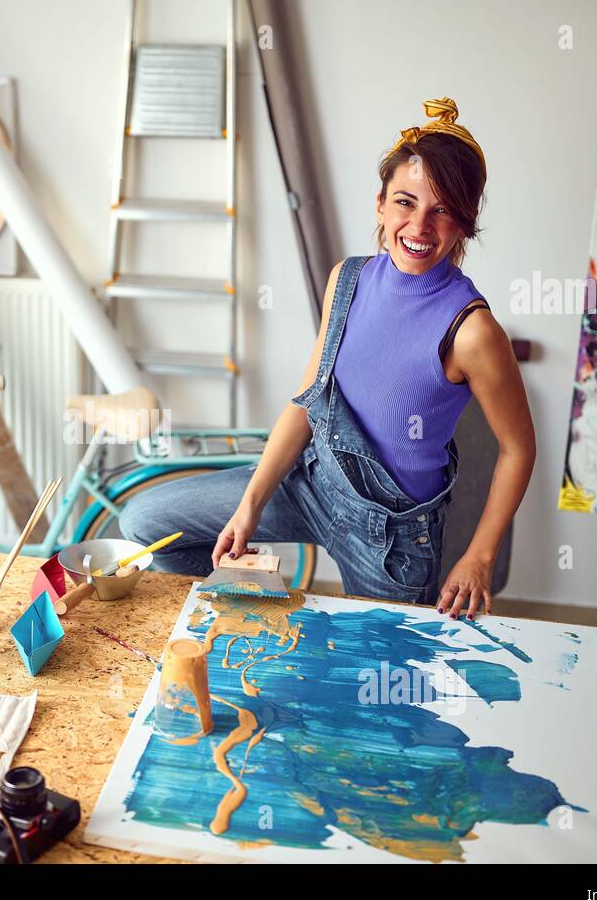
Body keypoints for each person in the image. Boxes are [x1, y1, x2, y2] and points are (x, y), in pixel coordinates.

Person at [120, 98, 535, 620]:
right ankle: (250, 630)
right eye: (405, 202)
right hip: (312, 479)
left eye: (443, 210)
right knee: (147, 523)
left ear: (465, 224)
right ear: (380, 203)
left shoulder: (472, 331)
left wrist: (478, 557)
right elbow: (308, 401)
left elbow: (519, 449)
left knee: (383, 684)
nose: (420, 226)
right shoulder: (349, 278)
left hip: (391, 537)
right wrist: (248, 508)